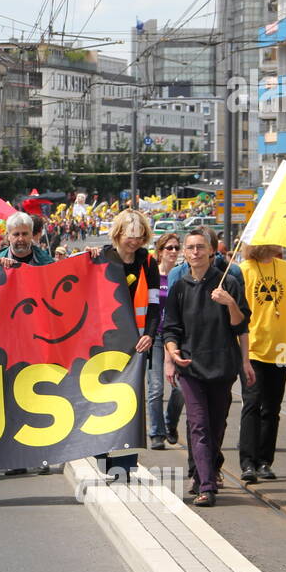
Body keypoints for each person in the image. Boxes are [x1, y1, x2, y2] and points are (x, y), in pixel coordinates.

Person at [163, 227, 253, 507]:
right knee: (198, 424)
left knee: (216, 425)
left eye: (200, 247)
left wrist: (229, 304)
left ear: (211, 251)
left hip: (222, 365)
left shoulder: (228, 283)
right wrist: (172, 354)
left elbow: (241, 325)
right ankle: (206, 485)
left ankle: (209, 470)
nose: (194, 252)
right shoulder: (179, 286)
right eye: (190, 248)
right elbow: (170, 328)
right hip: (191, 366)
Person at [97, 210, 161, 479]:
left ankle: (124, 464)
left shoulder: (148, 262)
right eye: (129, 237)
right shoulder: (101, 257)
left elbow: (155, 304)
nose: (133, 243)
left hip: (137, 345)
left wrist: (150, 334)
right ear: (118, 233)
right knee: (102, 398)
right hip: (104, 341)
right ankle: (101, 452)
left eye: (138, 237)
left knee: (130, 402)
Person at [237, 244, 286, 483]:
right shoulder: (243, 270)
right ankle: (247, 461)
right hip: (252, 348)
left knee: (272, 408)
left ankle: (264, 461)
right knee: (252, 403)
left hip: (281, 349)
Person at [147, 231, 184, 450]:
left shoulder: (181, 276)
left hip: (177, 336)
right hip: (155, 337)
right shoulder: (153, 276)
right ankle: (157, 433)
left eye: (176, 248)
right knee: (156, 388)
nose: (173, 252)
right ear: (159, 252)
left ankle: (170, 423)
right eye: (168, 248)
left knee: (180, 387)